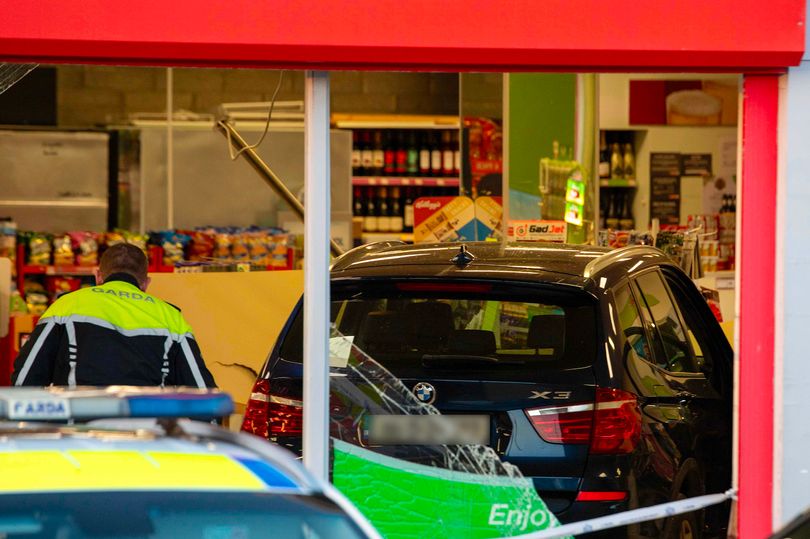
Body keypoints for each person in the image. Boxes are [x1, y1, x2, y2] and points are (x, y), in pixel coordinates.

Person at [12, 243, 216, 388]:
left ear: (98, 276)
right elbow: (202, 390)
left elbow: (25, 377)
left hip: (78, 436)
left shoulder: (66, 305)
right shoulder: (171, 317)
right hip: (148, 436)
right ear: (146, 283)